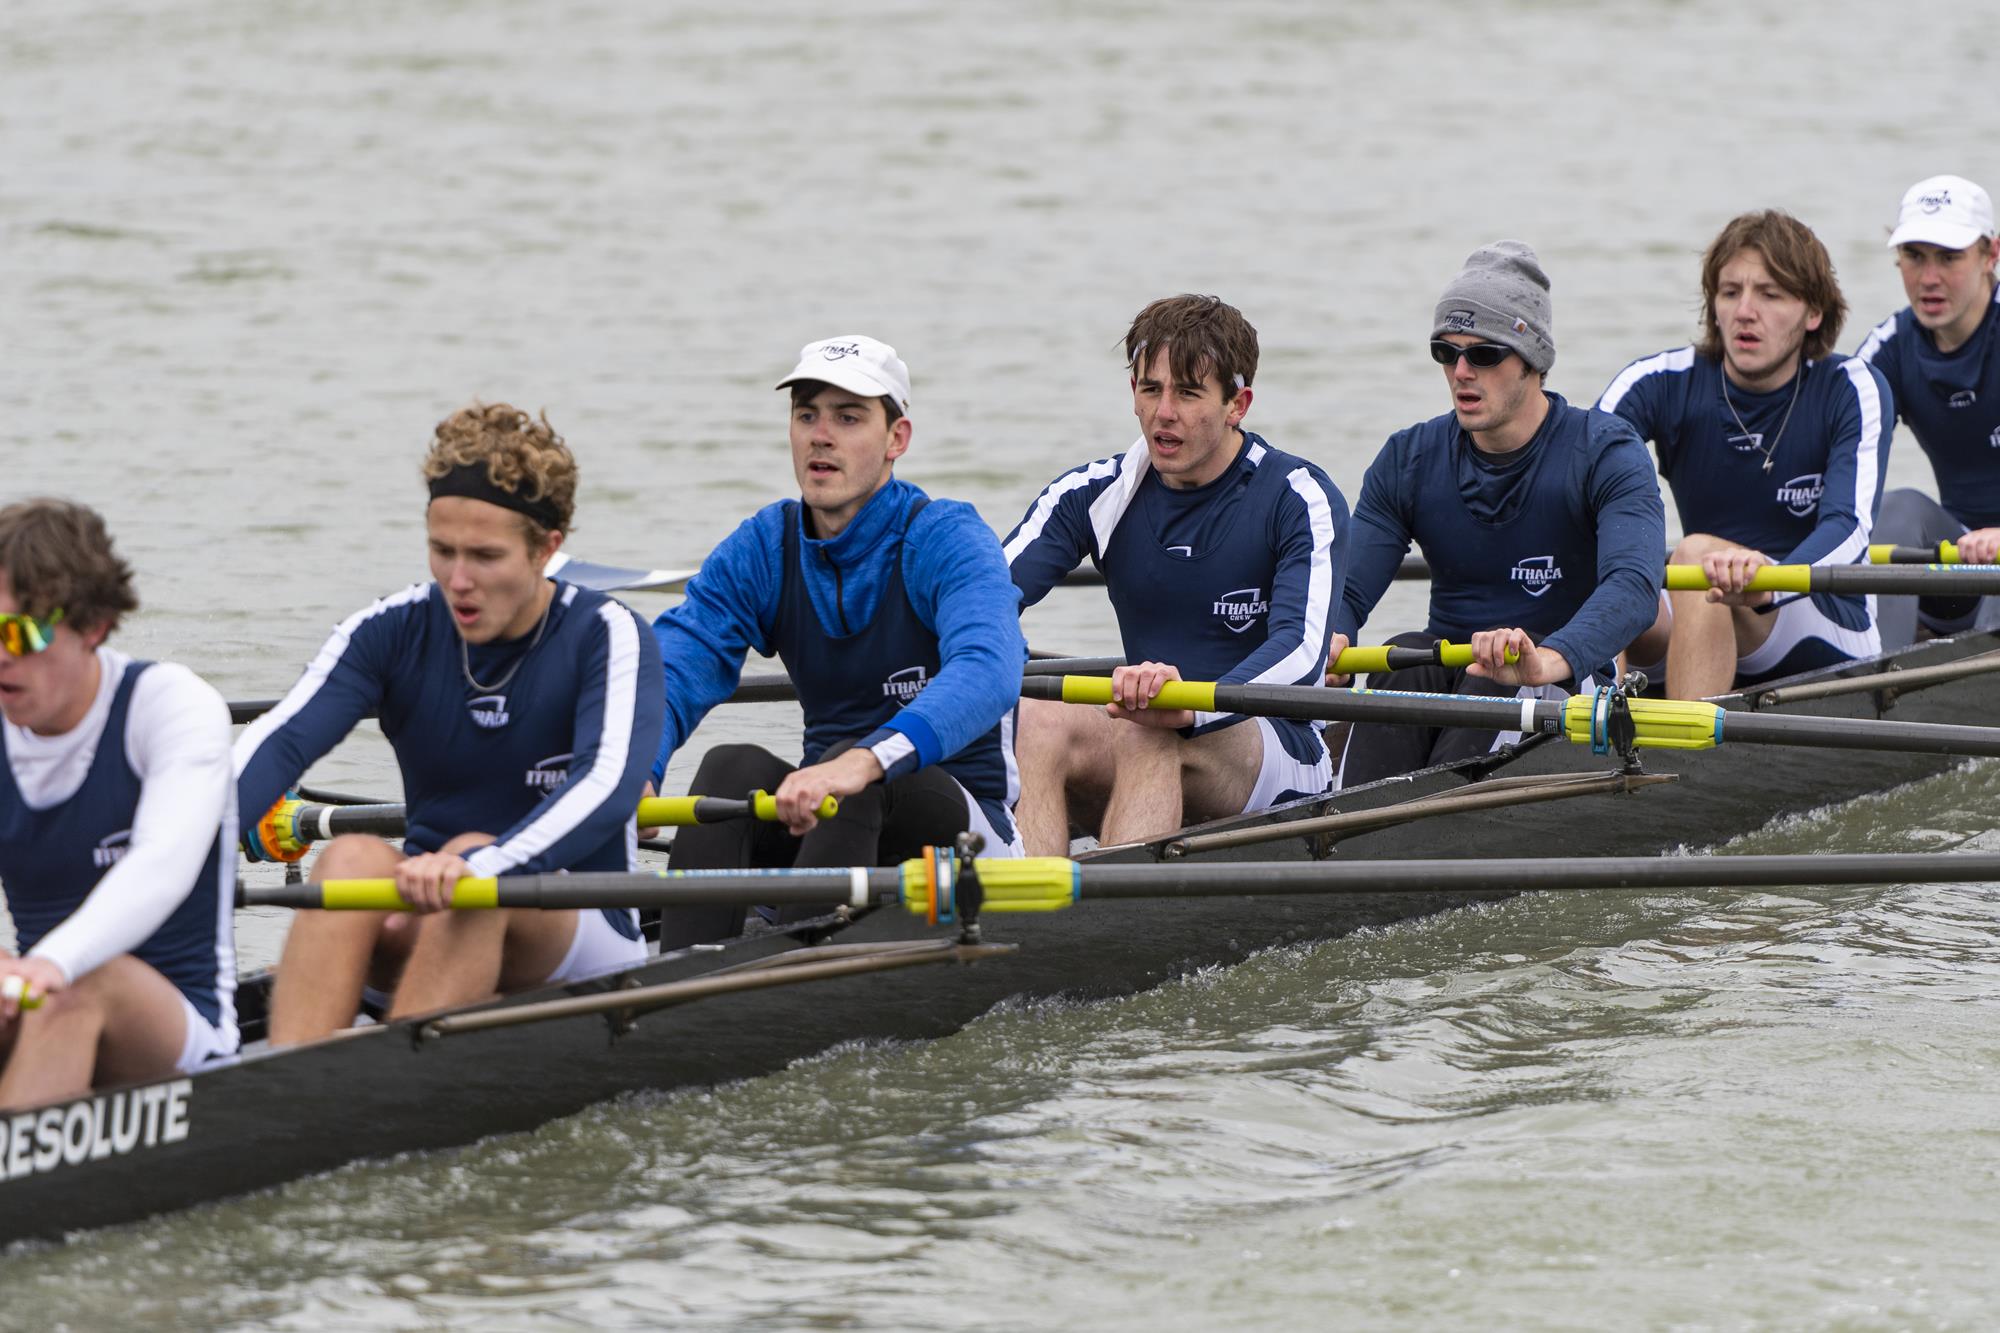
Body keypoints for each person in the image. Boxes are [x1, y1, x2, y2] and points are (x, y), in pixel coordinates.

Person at [236, 404, 663, 1045]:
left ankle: (397, 1092)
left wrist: (486, 865)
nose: (458, 581)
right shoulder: (389, 627)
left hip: (579, 928)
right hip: (432, 907)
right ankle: (295, 1090)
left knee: (469, 866)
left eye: (486, 556)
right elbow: (281, 738)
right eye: (442, 551)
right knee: (350, 857)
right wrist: (187, 847)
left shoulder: (608, 633)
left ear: (547, 548)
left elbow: (606, 789)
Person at [650, 335, 1027, 949]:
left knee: (853, 771)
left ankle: (799, 986)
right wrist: (639, 764)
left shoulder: (944, 535)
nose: (820, 435)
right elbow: (680, 656)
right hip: (829, 820)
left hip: (962, 835)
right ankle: (677, 983)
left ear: (895, 439)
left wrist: (863, 761)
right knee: (729, 767)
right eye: (806, 415)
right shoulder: (765, 545)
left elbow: (989, 669)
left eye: (848, 418)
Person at [1005, 294, 1349, 853]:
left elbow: (1303, 654)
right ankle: (1031, 915)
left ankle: (1118, 925)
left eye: (1188, 393)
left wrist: (1193, 704)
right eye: (1150, 389)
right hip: (1153, 720)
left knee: (1150, 730)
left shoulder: (1297, 496)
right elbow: (984, 598)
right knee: (1039, 717)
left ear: (1238, 403)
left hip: (1278, 745)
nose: (1164, 412)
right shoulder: (1094, 494)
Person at [1331, 242, 1666, 786]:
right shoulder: (1407, 459)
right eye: (1446, 352)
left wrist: (1550, 657)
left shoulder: (1604, 451)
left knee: (1497, 673)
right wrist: (1332, 635)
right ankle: (1346, 830)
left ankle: (1412, 832)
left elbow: (1634, 587)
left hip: (1560, 686)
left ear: (1532, 360)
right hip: (1453, 676)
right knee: (1405, 656)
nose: (1461, 371)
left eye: (1484, 355)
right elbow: (1343, 593)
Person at [0, 499, 237, 1108]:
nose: (1, 654)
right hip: (42, 996)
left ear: (94, 626)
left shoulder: (170, 706)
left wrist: (51, 962)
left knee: (81, 981)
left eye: (18, 631)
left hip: (177, 1034)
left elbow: (161, 866)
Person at [1599, 210, 1894, 698]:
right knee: (1606, 559)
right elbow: (1576, 484)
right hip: (1704, 606)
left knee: (1695, 556)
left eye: (1770, 294)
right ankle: (1585, 734)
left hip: (1822, 618)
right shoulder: (1653, 383)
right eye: (1731, 292)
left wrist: (1770, 582)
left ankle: (1686, 761)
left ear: (1813, 313)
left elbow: (1850, 528)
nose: (1745, 311)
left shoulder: (1852, 387)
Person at [1854, 175, 2000, 647]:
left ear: (1991, 256)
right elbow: (1825, 459)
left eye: (1949, 257)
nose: (1929, 278)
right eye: (1915, 256)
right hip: (1959, 559)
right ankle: (1874, 678)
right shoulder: (1889, 348)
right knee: (1896, 509)